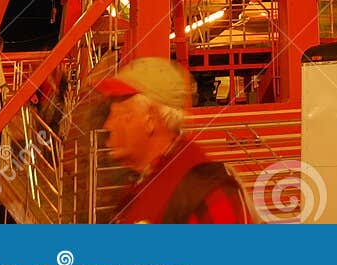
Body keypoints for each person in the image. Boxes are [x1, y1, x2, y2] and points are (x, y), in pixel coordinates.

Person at [98, 57, 252, 223]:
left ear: (150, 119)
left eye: (121, 114)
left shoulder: (206, 192)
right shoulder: (144, 183)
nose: (108, 125)